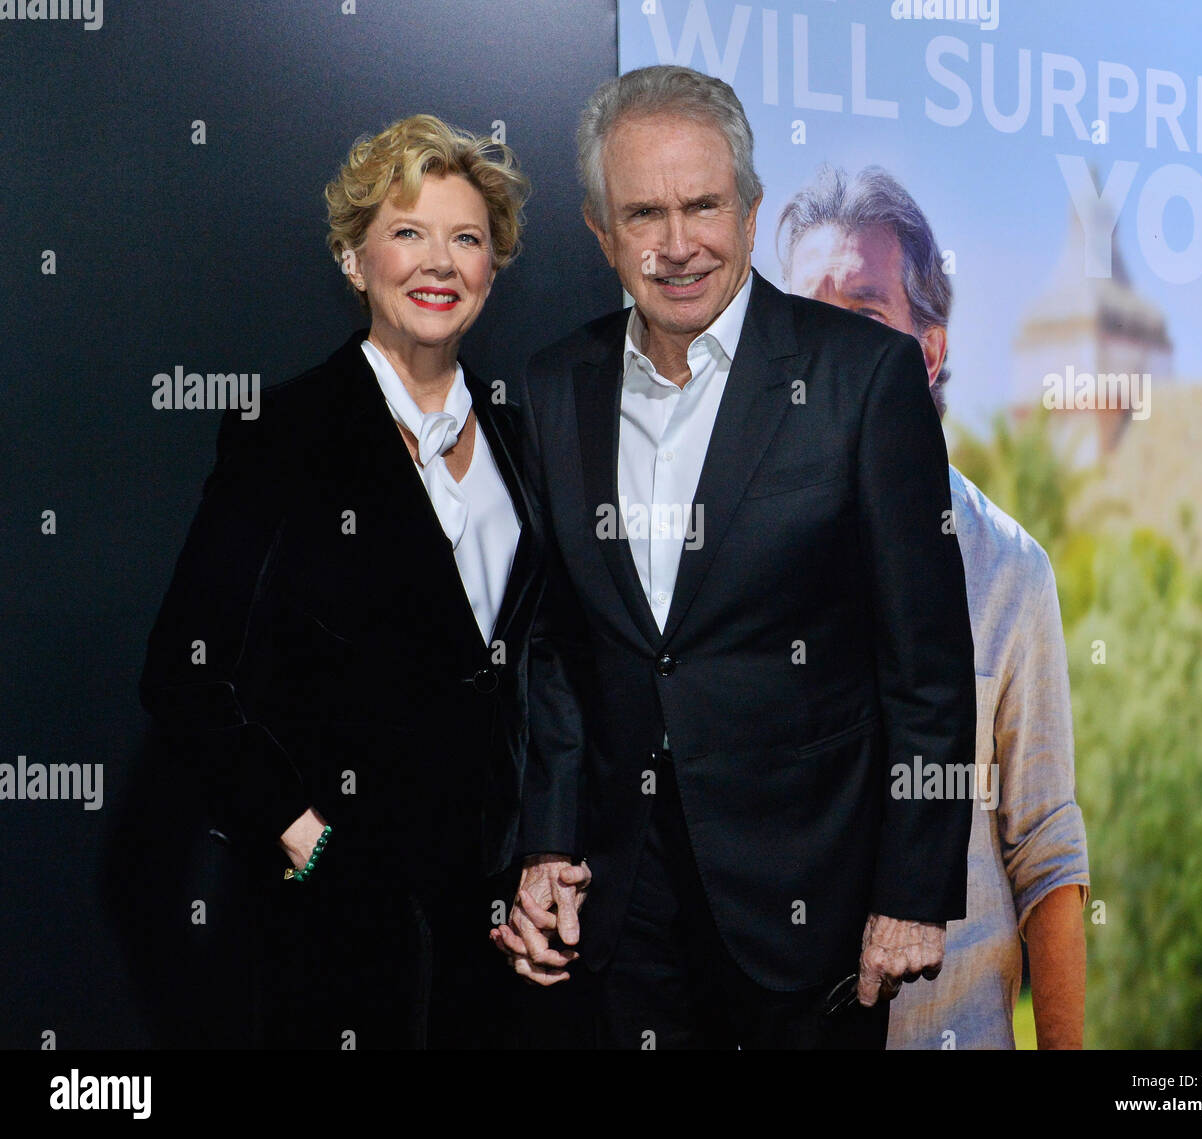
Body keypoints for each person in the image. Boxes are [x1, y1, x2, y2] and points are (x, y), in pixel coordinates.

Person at [491, 65, 977, 1049]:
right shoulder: (552, 388)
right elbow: (552, 645)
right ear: (599, 231)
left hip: (812, 905)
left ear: (751, 213)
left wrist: (912, 892)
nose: (677, 245)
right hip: (621, 911)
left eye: (703, 205)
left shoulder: (860, 376)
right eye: (642, 214)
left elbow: (927, 663)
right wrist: (545, 843)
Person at [140, 113, 541, 1049]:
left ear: (493, 268)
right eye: (408, 232)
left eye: (467, 238)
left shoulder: (527, 441)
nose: (438, 262)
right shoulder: (285, 432)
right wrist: (309, 841)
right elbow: (182, 672)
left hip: (497, 936)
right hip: (340, 940)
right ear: (355, 261)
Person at [779, 164, 1090, 1049]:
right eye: (807, 319)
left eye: (866, 317)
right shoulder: (710, 562)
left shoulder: (1009, 573)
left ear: (929, 350)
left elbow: (1046, 847)